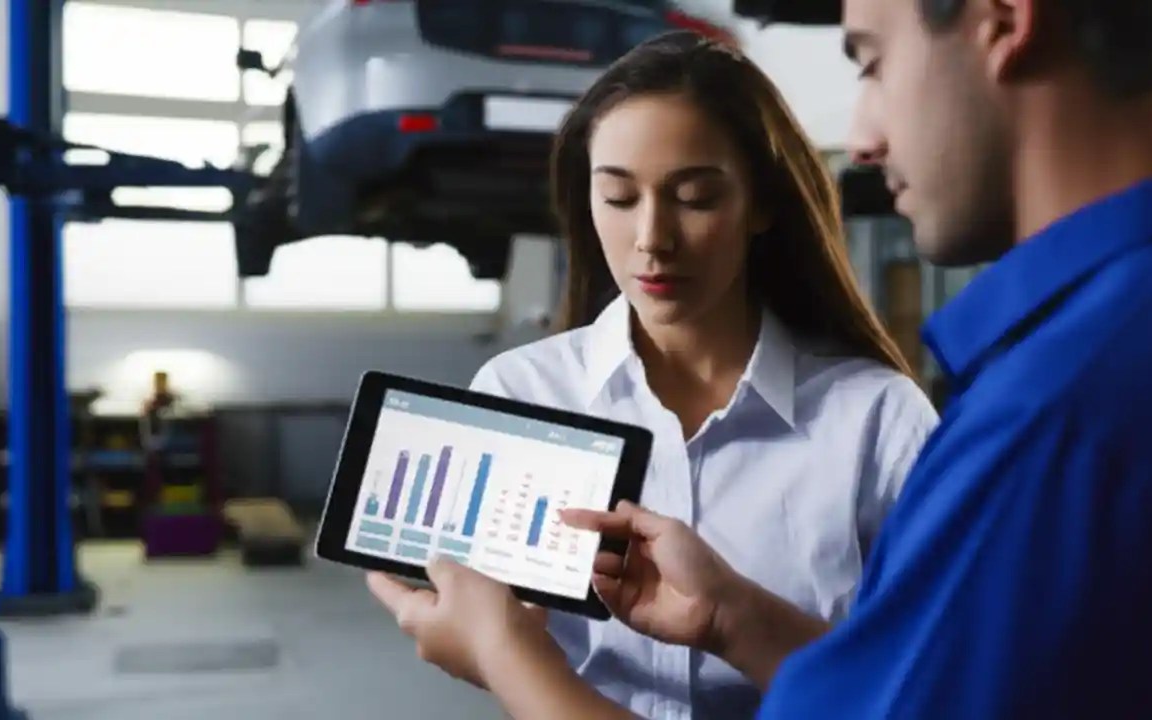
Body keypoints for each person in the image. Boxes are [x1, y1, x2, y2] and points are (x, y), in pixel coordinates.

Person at [370, 0, 1152, 717]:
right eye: (618, 196)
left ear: (1003, 20)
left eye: (870, 60)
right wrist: (729, 616)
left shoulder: (1056, 410)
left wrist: (505, 655)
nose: (864, 137)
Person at [375, 29, 937, 720]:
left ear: (761, 203)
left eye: (695, 197)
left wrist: (503, 654)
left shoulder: (879, 422)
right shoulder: (522, 396)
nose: (652, 239)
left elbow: (925, 686)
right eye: (618, 198)